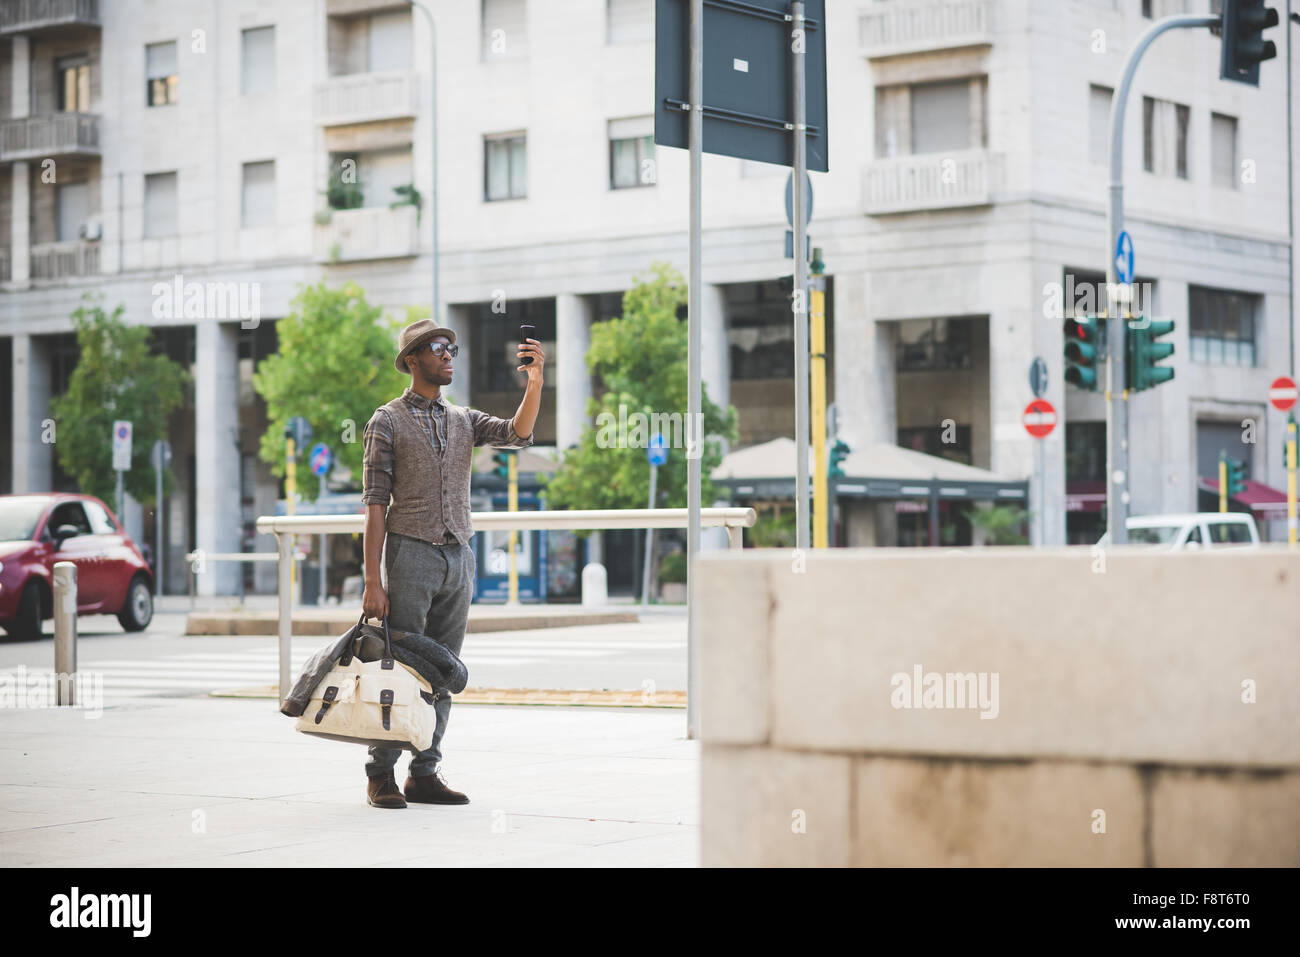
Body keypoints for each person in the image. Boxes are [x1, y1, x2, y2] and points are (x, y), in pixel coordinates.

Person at [360, 318, 543, 809]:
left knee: (443, 670)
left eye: (453, 349)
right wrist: (371, 580)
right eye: (439, 348)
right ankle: (381, 773)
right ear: (413, 359)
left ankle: (425, 770)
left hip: (458, 557)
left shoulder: (462, 418)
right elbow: (376, 504)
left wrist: (535, 383)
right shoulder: (387, 421)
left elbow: (517, 433)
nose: (449, 356)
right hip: (409, 556)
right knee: (398, 670)